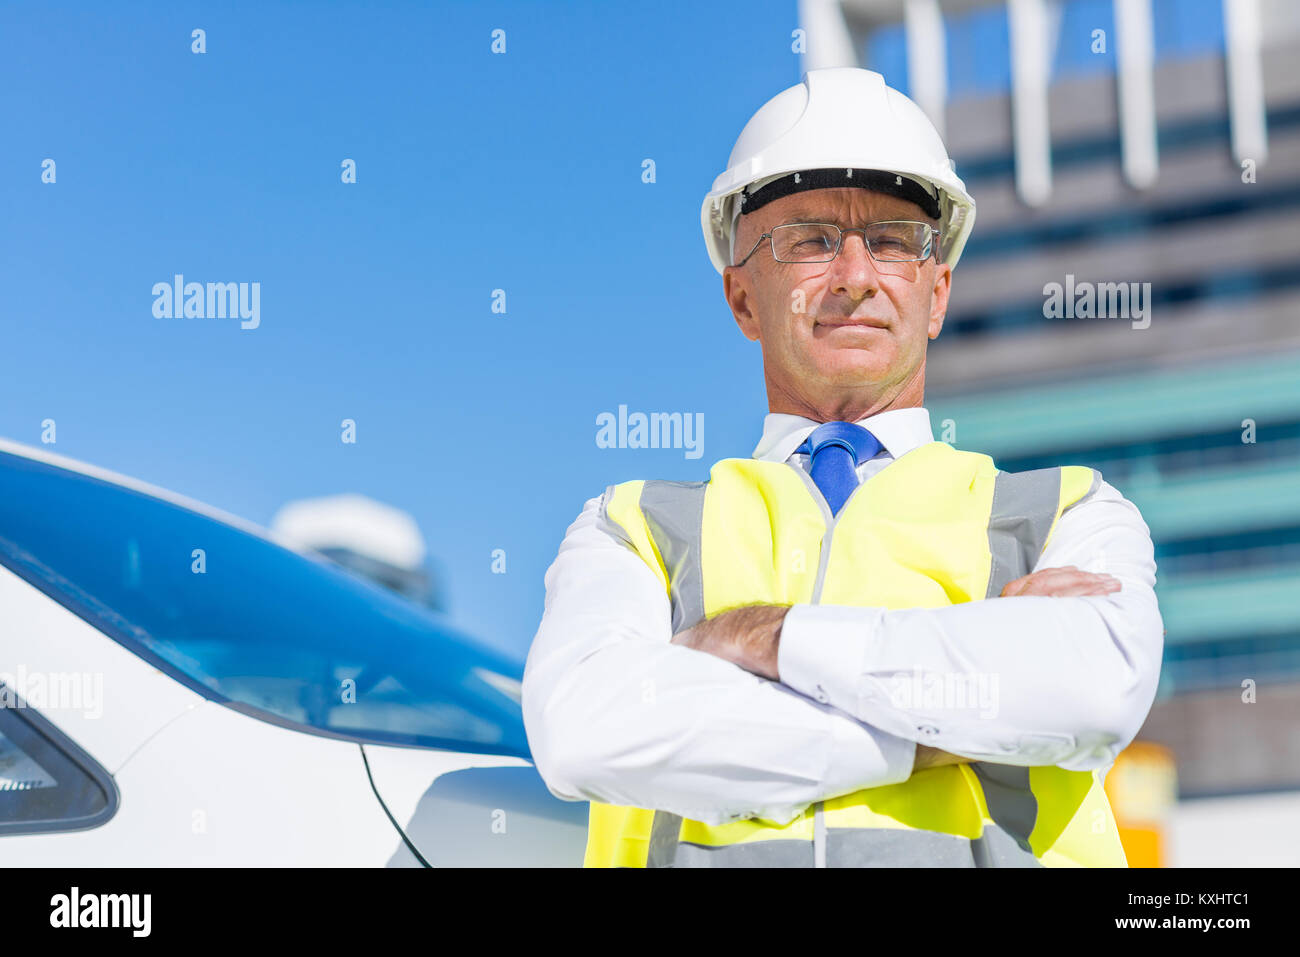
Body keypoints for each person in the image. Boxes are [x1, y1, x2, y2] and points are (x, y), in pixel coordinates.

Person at [521, 67, 1164, 867]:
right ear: (742, 297)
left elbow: (1089, 689)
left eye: (893, 241)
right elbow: (585, 729)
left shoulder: (1067, 512)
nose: (856, 276)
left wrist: (764, 637)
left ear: (936, 293)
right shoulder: (633, 526)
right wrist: (944, 720)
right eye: (811, 240)